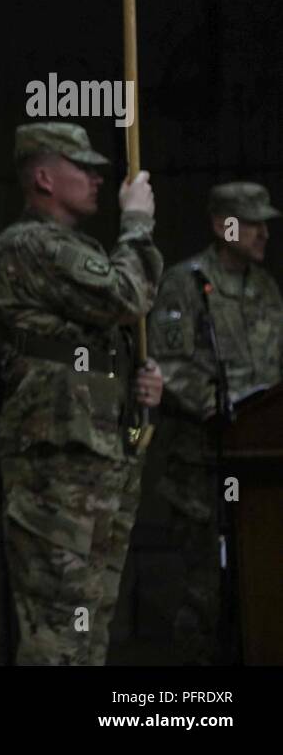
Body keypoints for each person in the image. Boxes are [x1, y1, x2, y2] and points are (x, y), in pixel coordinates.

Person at [0, 121, 164, 665]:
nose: (96, 177)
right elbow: (126, 294)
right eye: (81, 167)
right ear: (43, 177)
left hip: (95, 460)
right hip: (57, 468)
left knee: (89, 628)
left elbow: (100, 335)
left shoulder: (72, 247)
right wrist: (136, 224)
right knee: (60, 631)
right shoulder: (30, 246)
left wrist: (139, 379)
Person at [147, 181, 283, 664]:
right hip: (202, 469)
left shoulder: (266, 289)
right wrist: (226, 412)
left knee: (262, 589)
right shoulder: (186, 283)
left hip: (261, 476)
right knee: (206, 595)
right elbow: (168, 364)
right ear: (220, 225)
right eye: (250, 223)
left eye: (265, 222)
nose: (263, 233)